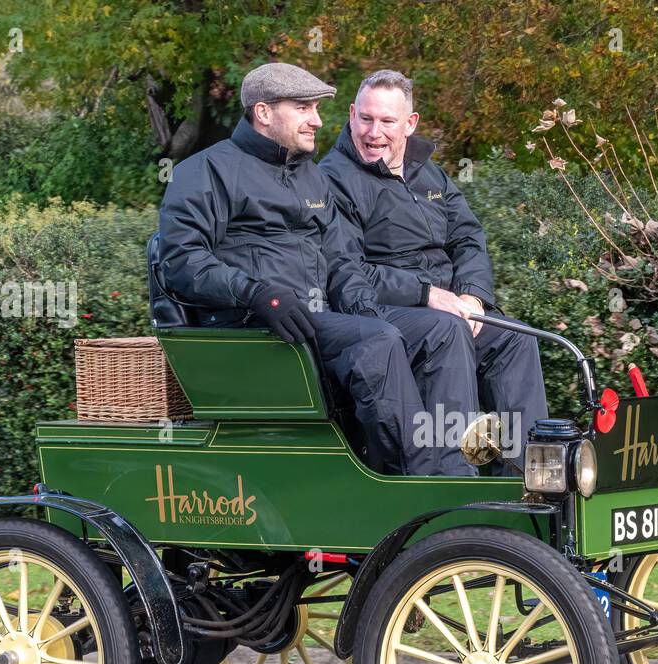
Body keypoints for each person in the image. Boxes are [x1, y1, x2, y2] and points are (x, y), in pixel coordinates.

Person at [155, 62, 478, 476]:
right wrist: (259, 295)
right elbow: (181, 262)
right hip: (253, 327)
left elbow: (342, 262)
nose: (317, 120)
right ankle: (414, 483)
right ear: (264, 113)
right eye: (304, 107)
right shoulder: (204, 171)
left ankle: (454, 472)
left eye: (316, 108)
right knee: (376, 341)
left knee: (440, 329)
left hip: (316, 320)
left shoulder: (310, 178)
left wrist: (366, 310)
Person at [320, 69, 549, 467]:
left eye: (387, 121)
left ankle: (530, 478)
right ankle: (450, 481)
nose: (374, 132)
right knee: (446, 331)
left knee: (514, 338)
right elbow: (346, 271)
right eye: (367, 118)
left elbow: (467, 238)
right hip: (384, 311)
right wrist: (427, 295)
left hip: (448, 305)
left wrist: (473, 296)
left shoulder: (430, 174)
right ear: (352, 114)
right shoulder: (332, 180)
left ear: (410, 124)